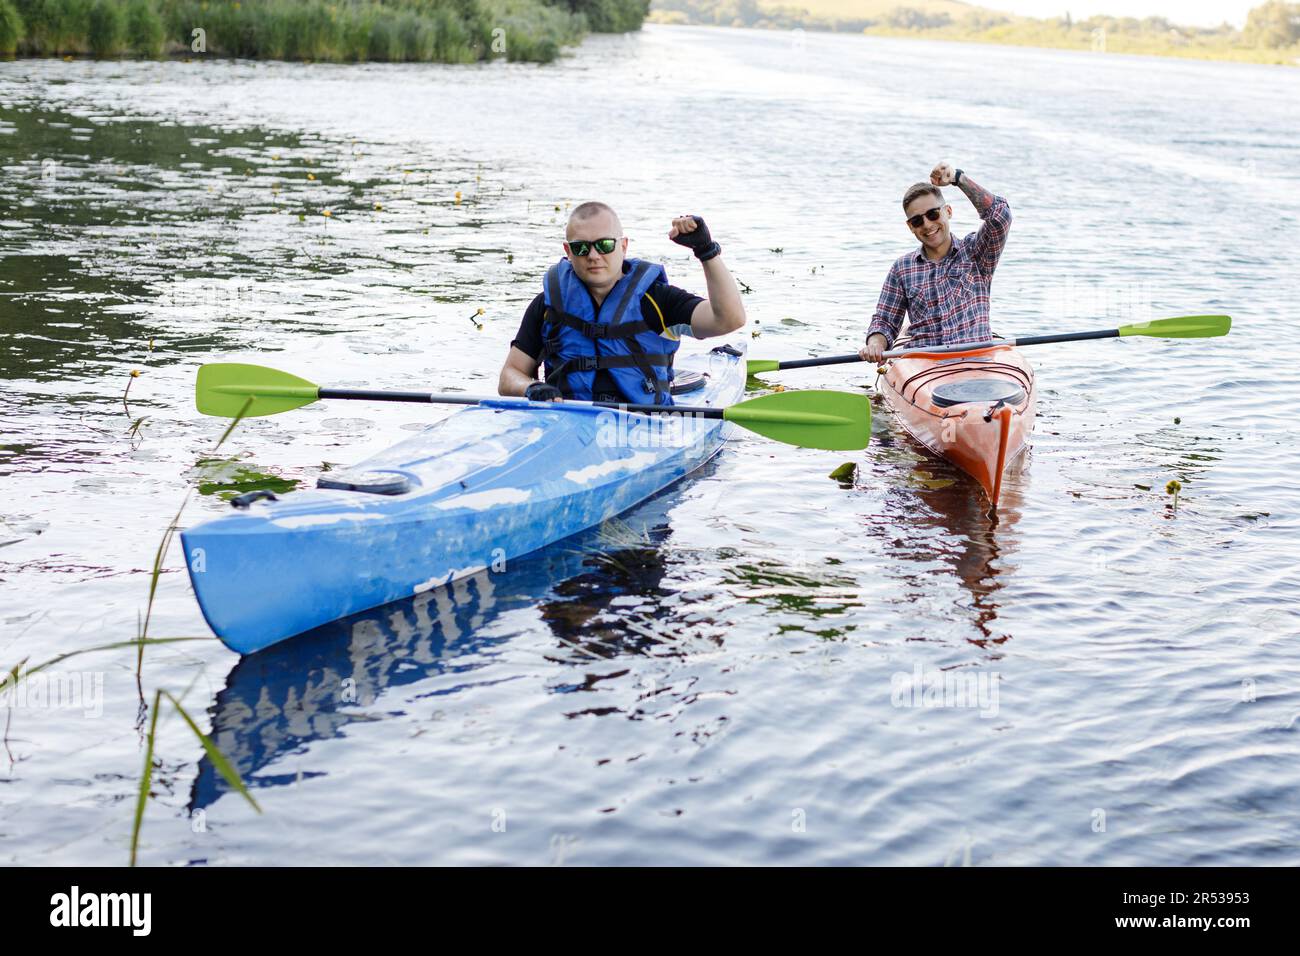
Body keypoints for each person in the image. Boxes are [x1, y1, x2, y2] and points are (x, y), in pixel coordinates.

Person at [498, 201, 746, 405]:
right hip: (568, 419)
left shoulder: (657, 299)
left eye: (604, 245)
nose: (594, 256)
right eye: (581, 247)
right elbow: (509, 376)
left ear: (623, 246)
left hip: (642, 425)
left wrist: (706, 251)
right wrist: (531, 387)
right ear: (568, 251)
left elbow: (728, 320)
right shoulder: (548, 304)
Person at [860, 162, 1012, 363]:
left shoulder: (976, 252)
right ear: (910, 227)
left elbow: (1000, 216)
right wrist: (876, 344)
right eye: (917, 221)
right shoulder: (902, 268)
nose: (928, 224)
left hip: (976, 361)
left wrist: (959, 179)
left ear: (948, 211)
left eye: (933, 214)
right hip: (925, 366)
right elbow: (884, 321)